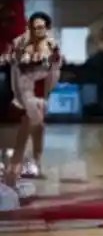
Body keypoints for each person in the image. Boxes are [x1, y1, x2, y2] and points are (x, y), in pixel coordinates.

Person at [4, 12, 61, 188]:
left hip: (38, 97)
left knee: (38, 129)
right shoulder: (19, 44)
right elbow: (16, 72)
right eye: (34, 26)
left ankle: (32, 164)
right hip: (21, 96)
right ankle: (12, 173)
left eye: (41, 27)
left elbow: (52, 73)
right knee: (22, 134)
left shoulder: (51, 47)